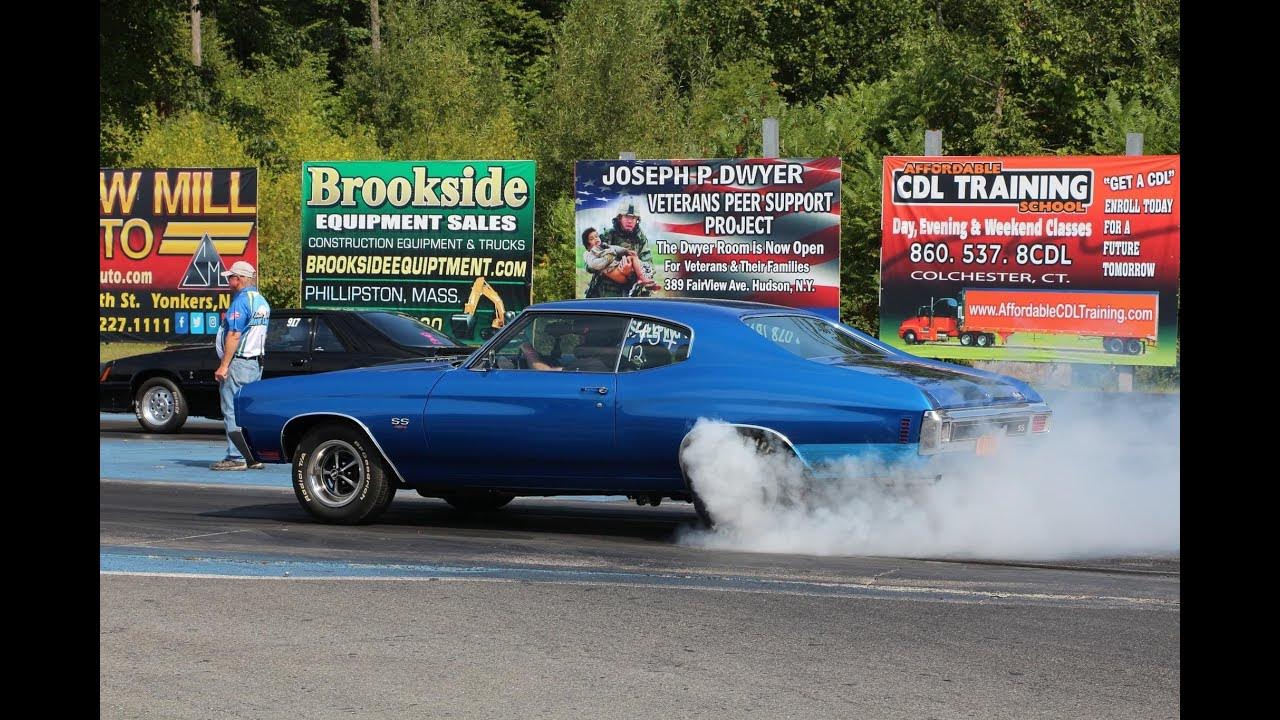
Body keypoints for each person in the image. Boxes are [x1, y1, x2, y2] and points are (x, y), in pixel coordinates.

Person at [210, 261, 272, 470]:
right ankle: (253, 455)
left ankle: (236, 457)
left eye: (231, 277)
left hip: (240, 362)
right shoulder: (261, 300)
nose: (229, 281)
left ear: (240, 279)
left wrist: (224, 365)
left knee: (232, 410)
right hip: (256, 362)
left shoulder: (241, 301)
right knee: (247, 411)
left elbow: (234, 334)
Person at [586, 203, 657, 297]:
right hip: (605, 294)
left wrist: (629, 272)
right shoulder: (607, 236)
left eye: (634, 218)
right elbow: (588, 265)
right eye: (627, 217)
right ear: (619, 218)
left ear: (637, 220)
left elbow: (649, 267)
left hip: (630, 295)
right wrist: (608, 266)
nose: (630, 221)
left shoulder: (641, 239)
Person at [582, 227, 659, 291]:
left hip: (619, 265)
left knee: (633, 258)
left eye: (596, 236)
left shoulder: (640, 237)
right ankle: (642, 282)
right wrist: (608, 259)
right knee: (625, 277)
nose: (596, 239)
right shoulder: (591, 252)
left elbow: (615, 248)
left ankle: (644, 280)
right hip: (610, 271)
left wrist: (627, 251)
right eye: (592, 239)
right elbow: (592, 265)